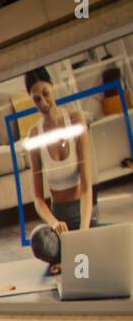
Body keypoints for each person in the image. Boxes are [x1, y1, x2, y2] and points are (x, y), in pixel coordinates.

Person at [23, 67, 100, 275]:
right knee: (39, 240)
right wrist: (54, 223)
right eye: (37, 99)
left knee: (108, 240)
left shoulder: (75, 120)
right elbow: (38, 199)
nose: (44, 103)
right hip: (59, 220)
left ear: (53, 88)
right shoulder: (34, 135)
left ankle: (73, 254)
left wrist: (83, 231)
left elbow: (86, 186)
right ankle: (73, 254)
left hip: (84, 212)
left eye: (46, 94)